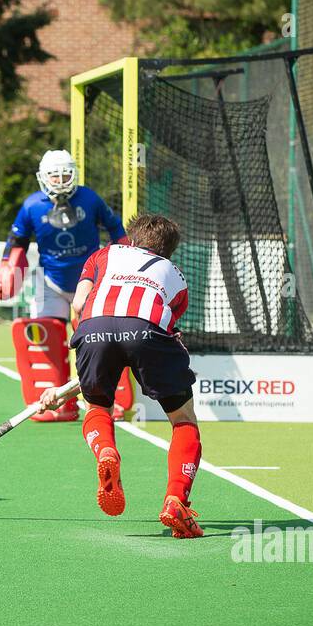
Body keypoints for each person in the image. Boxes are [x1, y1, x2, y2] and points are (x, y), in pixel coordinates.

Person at [39, 213, 203, 538]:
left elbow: (80, 304)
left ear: (130, 239)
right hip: (148, 331)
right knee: (184, 421)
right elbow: (150, 334)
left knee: (97, 407)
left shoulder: (103, 255)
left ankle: (106, 451)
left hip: (93, 327)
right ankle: (176, 500)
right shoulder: (177, 276)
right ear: (169, 251)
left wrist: (83, 368)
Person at [0, 149, 130, 421]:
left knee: (99, 339)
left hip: (91, 280)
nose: (59, 180)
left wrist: (124, 262)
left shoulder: (90, 198)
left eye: (64, 174)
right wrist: (5, 266)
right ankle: (56, 405)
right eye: (53, 176)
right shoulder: (32, 205)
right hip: (51, 282)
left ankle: (106, 401)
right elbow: (15, 242)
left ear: (74, 173)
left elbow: (116, 229)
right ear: (43, 178)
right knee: (46, 339)